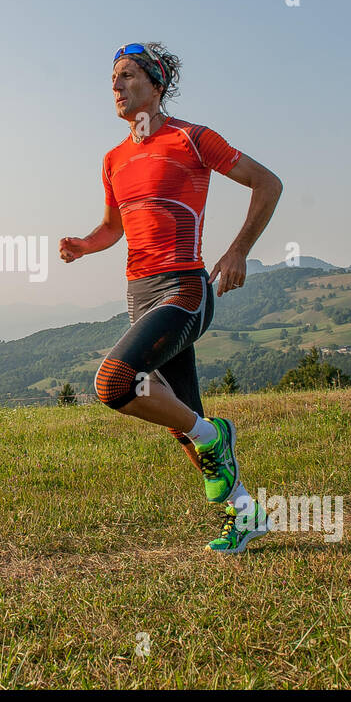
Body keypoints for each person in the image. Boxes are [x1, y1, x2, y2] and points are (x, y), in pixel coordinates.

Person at [59, 42, 283, 552]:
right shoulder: (113, 159)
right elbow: (112, 228)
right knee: (184, 419)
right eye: (112, 79)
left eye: (127, 76)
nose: (115, 87)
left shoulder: (193, 138)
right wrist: (83, 245)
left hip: (184, 289)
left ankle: (215, 436)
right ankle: (245, 513)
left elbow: (268, 183)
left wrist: (238, 251)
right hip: (139, 294)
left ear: (156, 85)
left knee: (116, 384)